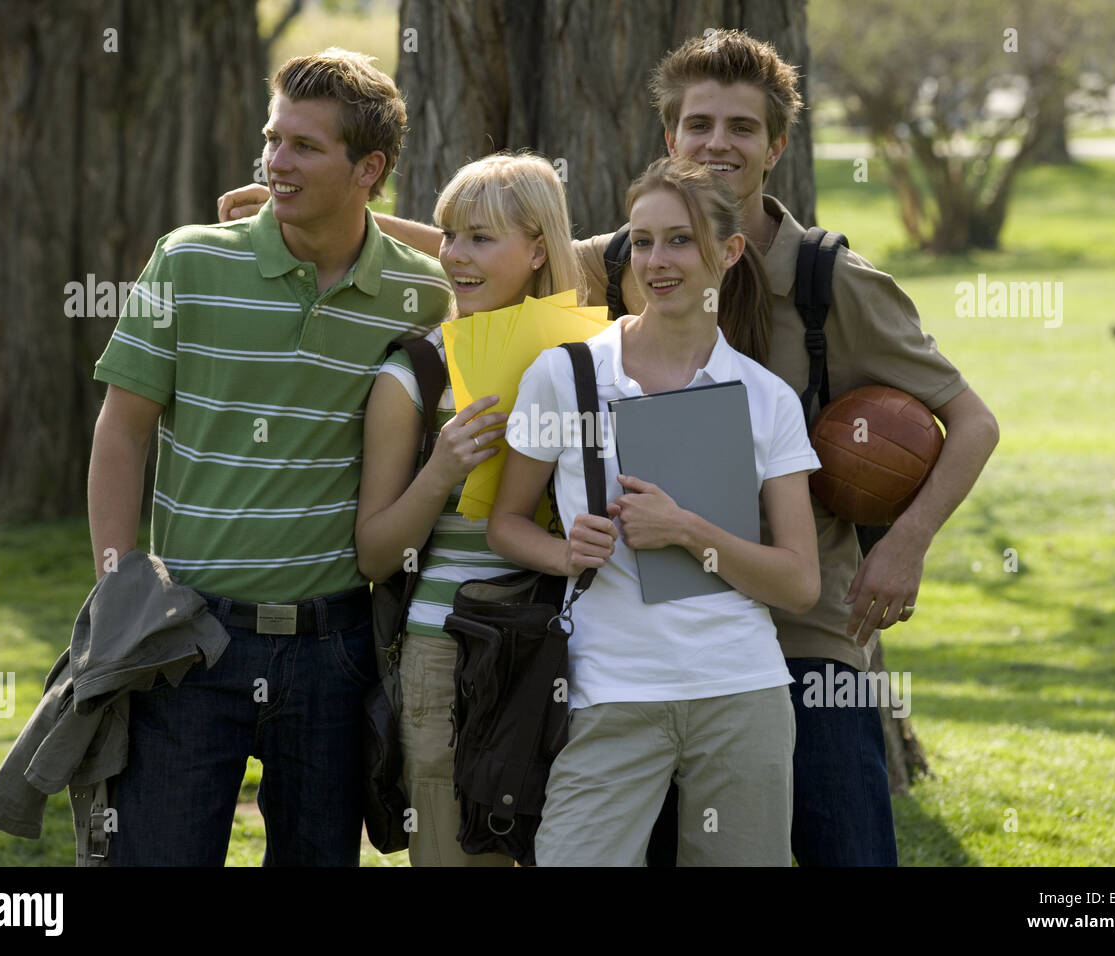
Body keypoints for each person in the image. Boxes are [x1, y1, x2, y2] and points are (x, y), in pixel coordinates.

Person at [217, 29, 1000, 867]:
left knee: (846, 845)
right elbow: (500, 245)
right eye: (698, 125)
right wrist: (342, 215)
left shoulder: (830, 283)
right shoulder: (630, 258)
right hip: (640, 640)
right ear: (672, 140)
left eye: (742, 127)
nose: (718, 143)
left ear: (776, 146)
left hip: (801, 630)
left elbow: (974, 422)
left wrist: (904, 549)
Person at [88, 49, 452, 866]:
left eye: (303, 147)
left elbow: (534, 268)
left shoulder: (422, 294)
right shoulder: (188, 259)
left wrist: (377, 224)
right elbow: (122, 427)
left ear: (371, 168)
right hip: (188, 639)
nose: (274, 162)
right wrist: (117, 584)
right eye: (272, 139)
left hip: (336, 649)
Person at [486, 157, 821, 866]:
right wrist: (564, 552)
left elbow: (799, 583)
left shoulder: (765, 398)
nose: (656, 261)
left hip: (741, 690)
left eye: (680, 240)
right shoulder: (569, 375)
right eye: (642, 241)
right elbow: (506, 523)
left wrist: (688, 532)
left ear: (730, 253)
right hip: (610, 686)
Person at [355, 152, 583, 866]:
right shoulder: (413, 375)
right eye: (448, 234)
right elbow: (374, 554)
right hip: (449, 657)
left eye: (480, 238)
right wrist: (441, 470)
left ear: (540, 248)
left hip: (572, 649)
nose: (453, 255)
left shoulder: (594, 354)